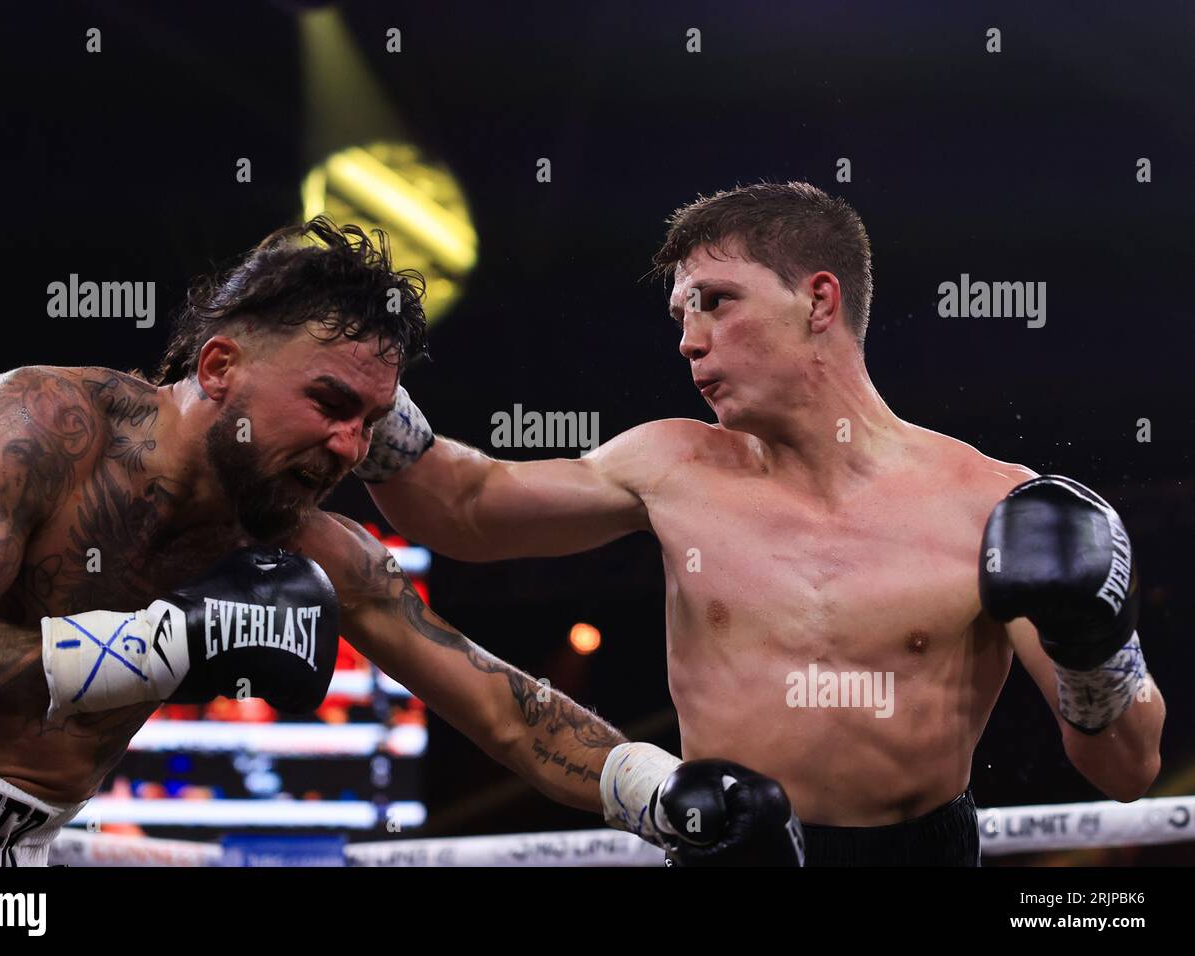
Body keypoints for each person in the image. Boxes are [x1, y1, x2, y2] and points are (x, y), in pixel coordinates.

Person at [0, 219, 796, 866]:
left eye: (370, 422)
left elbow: (499, 706)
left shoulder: (298, 536)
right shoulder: (38, 425)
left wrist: (655, 787)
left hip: (11, 855)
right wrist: (162, 646)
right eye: (328, 404)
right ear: (218, 368)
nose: (350, 448)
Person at [358, 181, 1166, 865]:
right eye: (680, 313)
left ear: (819, 299)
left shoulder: (993, 504)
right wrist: (356, 379)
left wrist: (1097, 653)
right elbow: (461, 507)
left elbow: (1128, 767)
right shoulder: (669, 465)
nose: (688, 340)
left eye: (716, 302)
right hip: (728, 849)